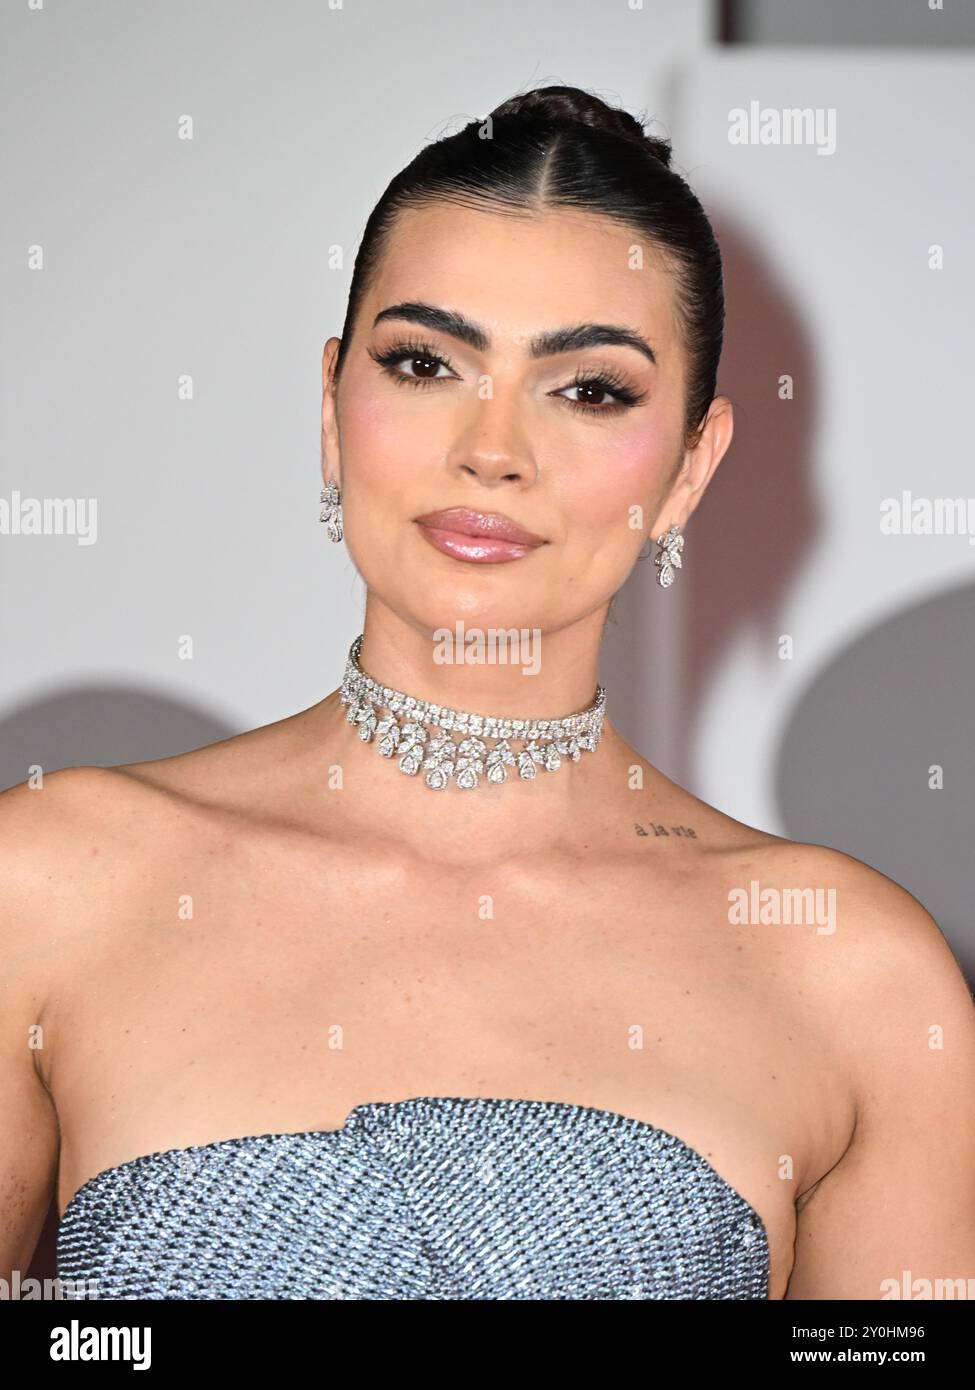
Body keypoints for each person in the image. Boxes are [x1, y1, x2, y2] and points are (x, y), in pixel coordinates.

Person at [2, 85, 972, 1302]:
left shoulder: (853, 974)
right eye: (423, 362)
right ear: (331, 409)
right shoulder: (49, 882)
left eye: (590, 389)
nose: (492, 447)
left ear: (689, 469)